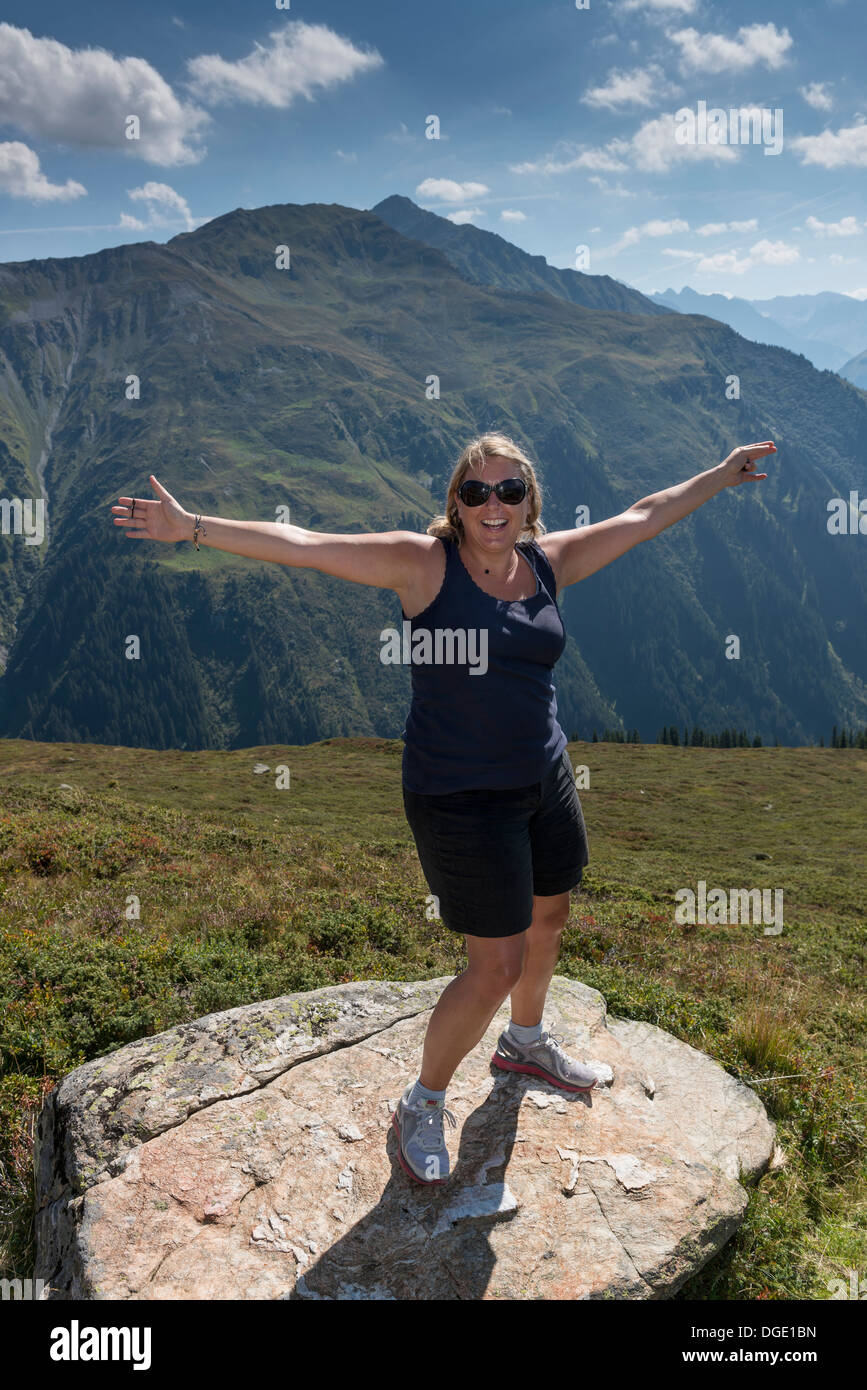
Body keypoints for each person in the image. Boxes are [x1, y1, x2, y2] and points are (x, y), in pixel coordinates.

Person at [111, 430, 775, 1186]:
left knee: (549, 917)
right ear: (454, 504)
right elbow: (302, 542)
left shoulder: (546, 563)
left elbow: (643, 514)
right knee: (492, 965)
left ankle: (523, 1044)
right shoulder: (422, 566)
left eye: (509, 491)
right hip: (459, 794)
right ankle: (421, 1101)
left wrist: (717, 478)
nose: (493, 505)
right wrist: (191, 526)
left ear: (529, 502)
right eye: (475, 491)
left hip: (544, 775)